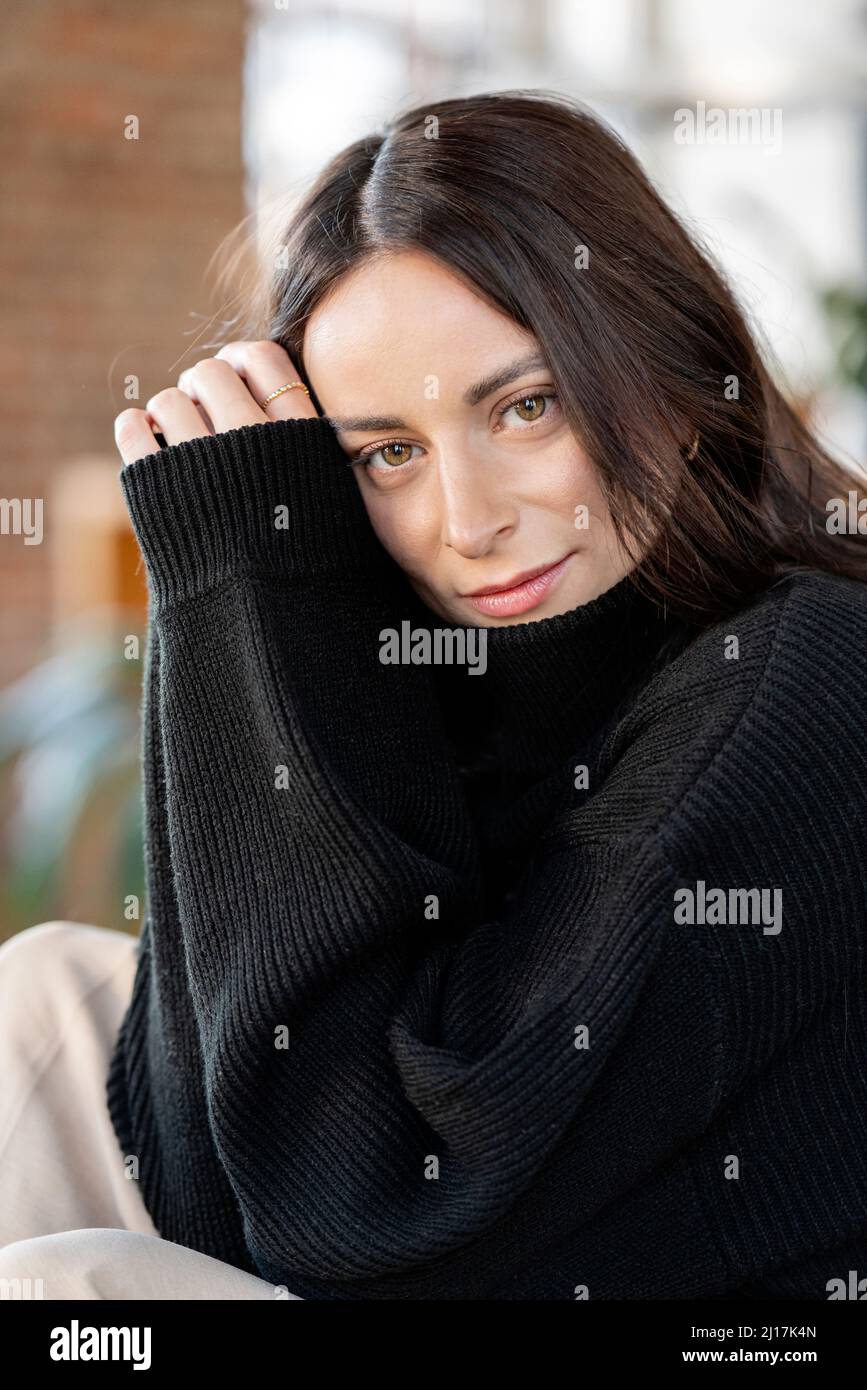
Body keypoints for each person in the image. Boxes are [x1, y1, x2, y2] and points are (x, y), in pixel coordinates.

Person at [2, 89, 865, 1300]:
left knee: (64, 1291)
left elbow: (372, 1216)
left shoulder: (802, 684)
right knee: (38, 996)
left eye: (525, 407)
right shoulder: (447, 659)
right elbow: (218, 1181)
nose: (470, 521)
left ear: (671, 382)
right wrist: (240, 594)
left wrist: (248, 578)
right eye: (386, 454)